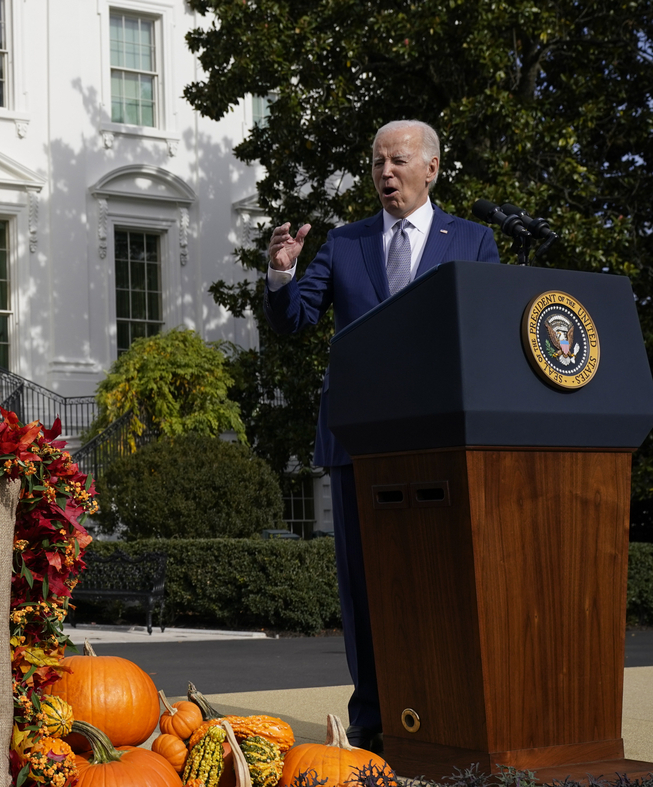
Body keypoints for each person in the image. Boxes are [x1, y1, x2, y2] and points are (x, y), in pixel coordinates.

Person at [262, 119, 499, 752]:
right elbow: (295, 320)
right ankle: (371, 714)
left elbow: (486, 336)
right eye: (375, 163)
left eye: (397, 161)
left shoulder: (474, 242)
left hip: (443, 439)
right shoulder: (345, 243)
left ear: (432, 169)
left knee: (443, 578)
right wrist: (283, 275)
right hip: (358, 441)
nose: (384, 172)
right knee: (365, 585)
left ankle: (451, 707)